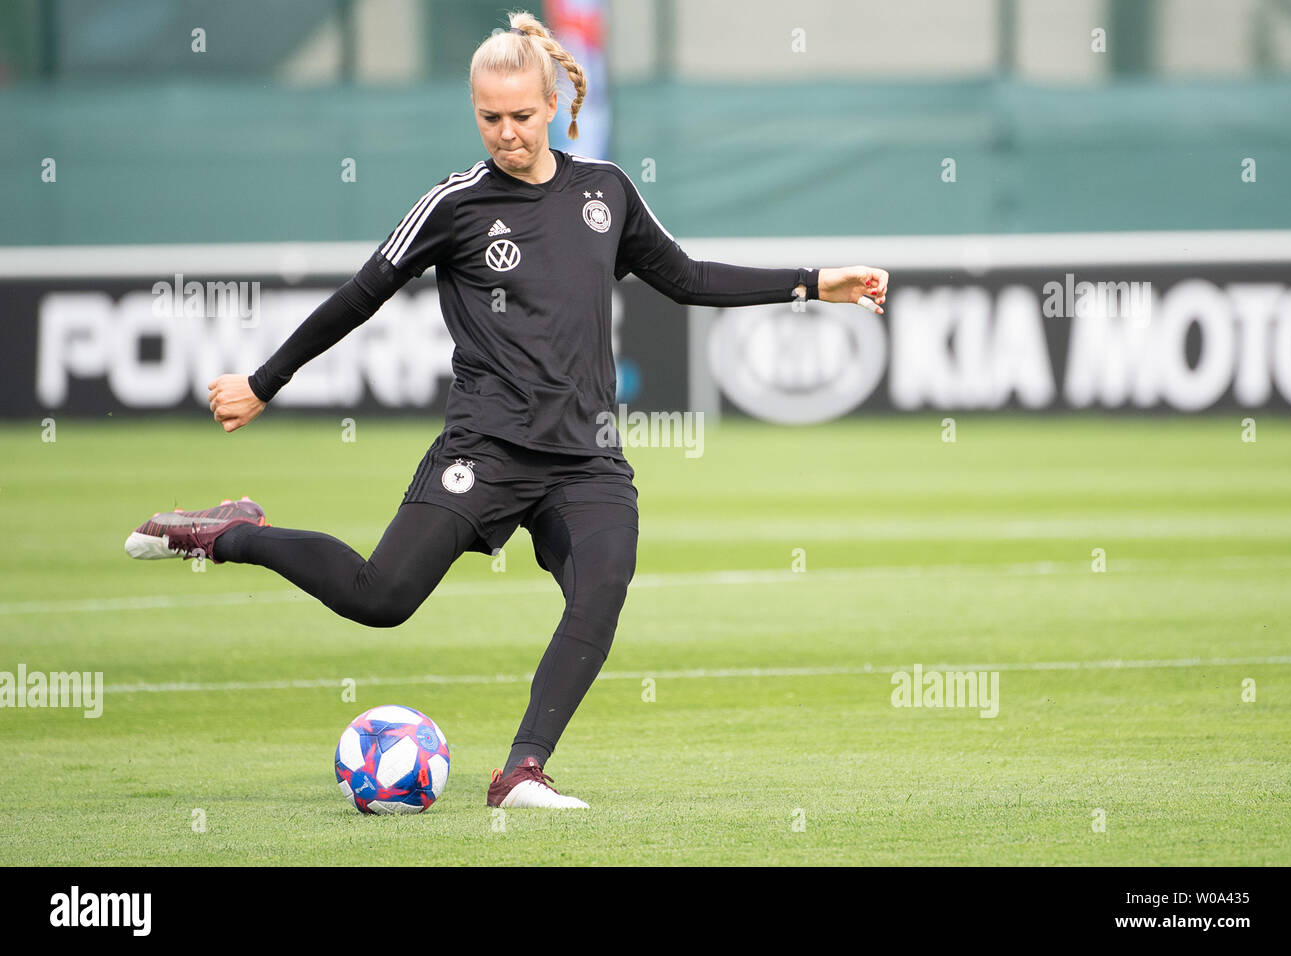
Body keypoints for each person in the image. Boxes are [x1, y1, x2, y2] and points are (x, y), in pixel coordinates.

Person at [124, 11, 889, 809]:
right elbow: (360, 297)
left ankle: (522, 770)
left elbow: (689, 277)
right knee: (380, 600)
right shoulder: (454, 205)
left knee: (601, 587)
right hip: (486, 448)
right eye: (490, 118)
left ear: (552, 102)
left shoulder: (607, 191)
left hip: (586, 458)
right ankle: (232, 532)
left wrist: (814, 283)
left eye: (522, 116)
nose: (507, 133)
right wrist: (263, 382)